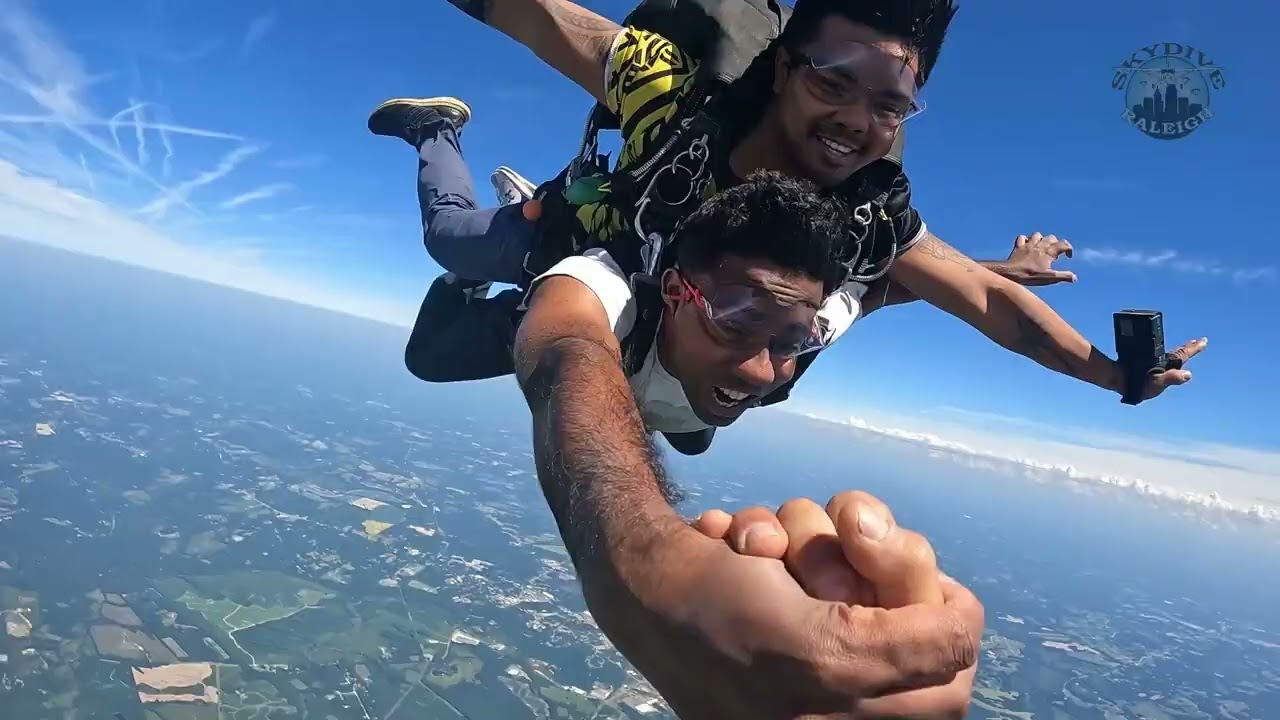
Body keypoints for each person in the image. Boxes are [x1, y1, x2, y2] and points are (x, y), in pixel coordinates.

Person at [377, 0, 1205, 424]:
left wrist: (1108, 372)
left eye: (889, 106)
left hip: (677, 332)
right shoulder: (674, 101)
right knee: (447, 255)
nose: (855, 121)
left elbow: (977, 300)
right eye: (831, 83)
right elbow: (539, 19)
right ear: (779, 69)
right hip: (566, 248)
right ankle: (439, 133)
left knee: (702, 412)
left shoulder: (866, 217)